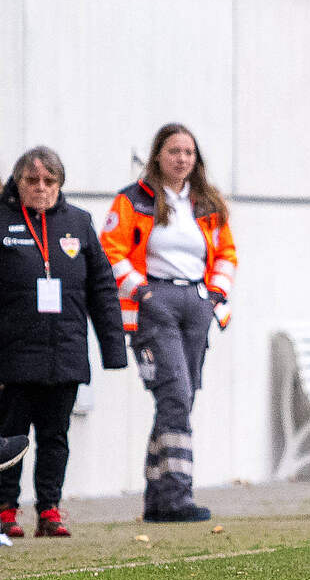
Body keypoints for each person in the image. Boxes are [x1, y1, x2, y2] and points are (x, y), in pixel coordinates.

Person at [101, 124, 238, 524]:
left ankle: (158, 498)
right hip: (154, 303)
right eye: (174, 151)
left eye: (189, 152)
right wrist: (141, 292)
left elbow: (228, 253)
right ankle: (176, 496)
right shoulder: (133, 200)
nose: (182, 159)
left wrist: (215, 296)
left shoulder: (206, 202)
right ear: (157, 155)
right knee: (175, 394)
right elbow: (112, 248)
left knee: (182, 397)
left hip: (196, 302)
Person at [0, 147, 125, 537]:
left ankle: (49, 510)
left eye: (49, 181)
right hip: (13, 356)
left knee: (55, 438)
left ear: (60, 185)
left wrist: (113, 349)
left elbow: (103, 289)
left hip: (65, 354)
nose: (40, 188)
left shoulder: (79, 223)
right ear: (17, 184)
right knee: (10, 438)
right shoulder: (2, 222)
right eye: (31, 180)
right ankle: (5, 510)